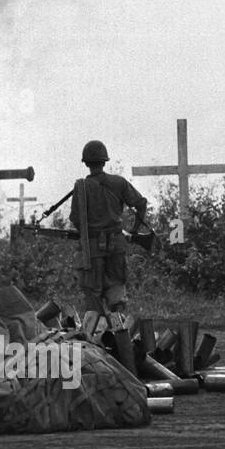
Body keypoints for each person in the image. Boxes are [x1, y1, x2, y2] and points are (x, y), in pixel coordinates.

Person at [68, 140, 148, 326]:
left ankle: (98, 335)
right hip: (117, 246)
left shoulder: (81, 187)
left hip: (92, 248)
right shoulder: (118, 182)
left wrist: (85, 234)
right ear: (105, 161)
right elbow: (141, 204)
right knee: (116, 289)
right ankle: (120, 331)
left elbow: (76, 219)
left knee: (93, 293)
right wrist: (134, 231)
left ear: (86, 163)